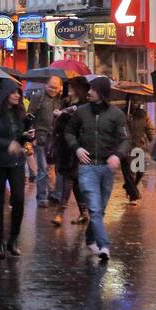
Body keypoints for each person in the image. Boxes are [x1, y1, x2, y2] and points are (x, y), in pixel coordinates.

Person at [63, 75, 129, 262]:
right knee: (94, 206)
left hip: (107, 168)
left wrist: (118, 155)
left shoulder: (116, 115)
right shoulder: (81, 112)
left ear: (101, 93)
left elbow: (125, 139)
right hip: (87, 167)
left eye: (92, 89)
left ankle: (90, 238)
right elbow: (69, 132)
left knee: (101, 209)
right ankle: (104, 246)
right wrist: (77, 148)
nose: (89, 92)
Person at [0, 78, 34, 257]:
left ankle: (14, 238)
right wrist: (7, 144)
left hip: (16, 162)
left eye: (18, 92)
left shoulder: (19, 113)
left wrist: (26, 136)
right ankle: (0, 241)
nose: (17, 96)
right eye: (13, 92)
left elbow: (18, 135)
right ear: (4, 95)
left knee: (18, 199)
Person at [51, 76, 90, 227]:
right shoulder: (67, 103)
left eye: (73, 87)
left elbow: (80, 122)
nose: (70, 89)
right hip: (65, 146)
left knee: (69, 177)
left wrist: (63, 114)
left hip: (77, 147)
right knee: (74, 181)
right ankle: (84, 212)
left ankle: (60, 212)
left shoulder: (83, 106)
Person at [29, 75, 64, 206]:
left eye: (56, 88)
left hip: (57, 139)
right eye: (51, 87)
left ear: (60, 88)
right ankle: (41, 197)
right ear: (45, 86)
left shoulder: (62, 99)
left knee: (57, 169)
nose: (53, 90)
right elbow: (30, 116)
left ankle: (55, 194)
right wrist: (32, 136)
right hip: (42, 137)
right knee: (43, 169)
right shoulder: (38, 97)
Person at [122, 99, 155, 205]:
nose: (136, 103)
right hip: (126, 147)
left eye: (137, 101)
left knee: (140, 172)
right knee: (130, 172)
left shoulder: (143, 115)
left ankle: (130, 186)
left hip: (138, 147)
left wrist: (154, 143)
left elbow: (150, 130)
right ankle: (133, 195)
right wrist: (125, 121)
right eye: (133, 100)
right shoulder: (123, 113)